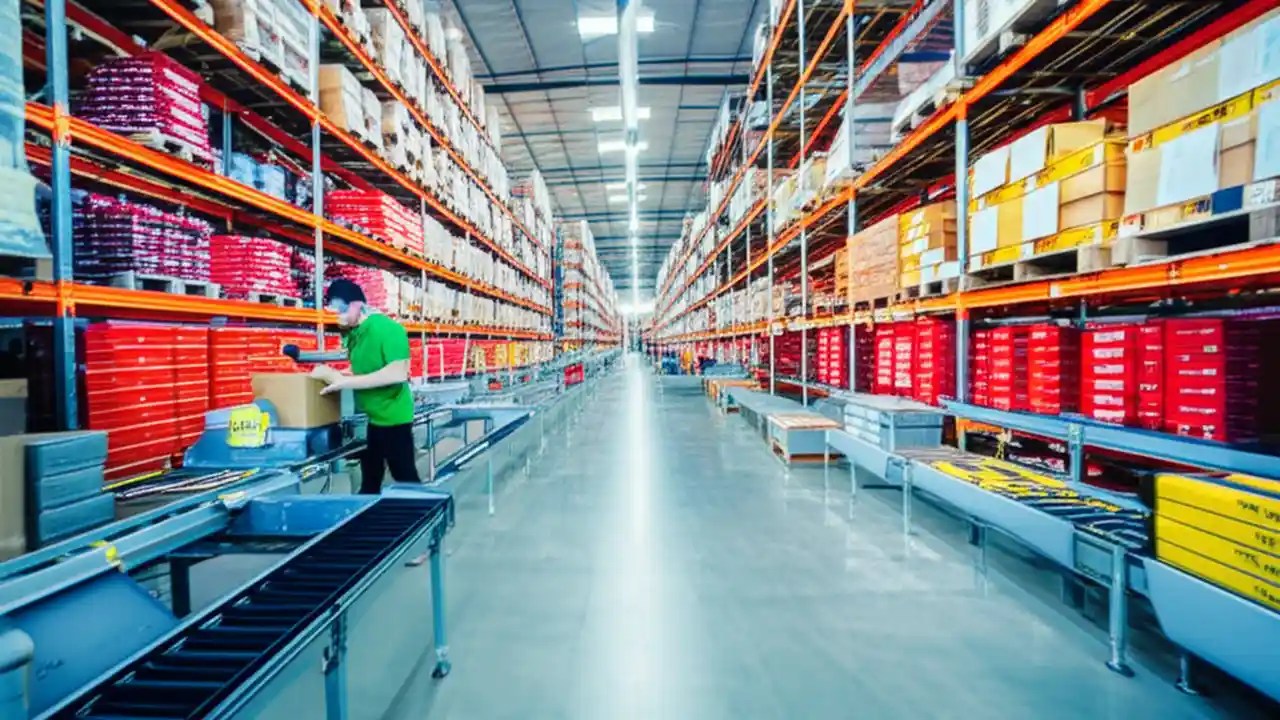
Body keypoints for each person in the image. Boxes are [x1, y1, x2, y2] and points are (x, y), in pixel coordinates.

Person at [311, 278, 419, 493]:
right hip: (372, 418)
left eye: (340, 310)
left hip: (394, 417)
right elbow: (365, 370)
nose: (338, 317)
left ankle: (427, 517)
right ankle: (367, 512)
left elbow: (398, 373)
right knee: (370, 476)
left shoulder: (388, 329)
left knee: (404, 475)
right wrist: (335, 375)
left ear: (356, 304)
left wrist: (345, 382)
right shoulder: (355, 334)